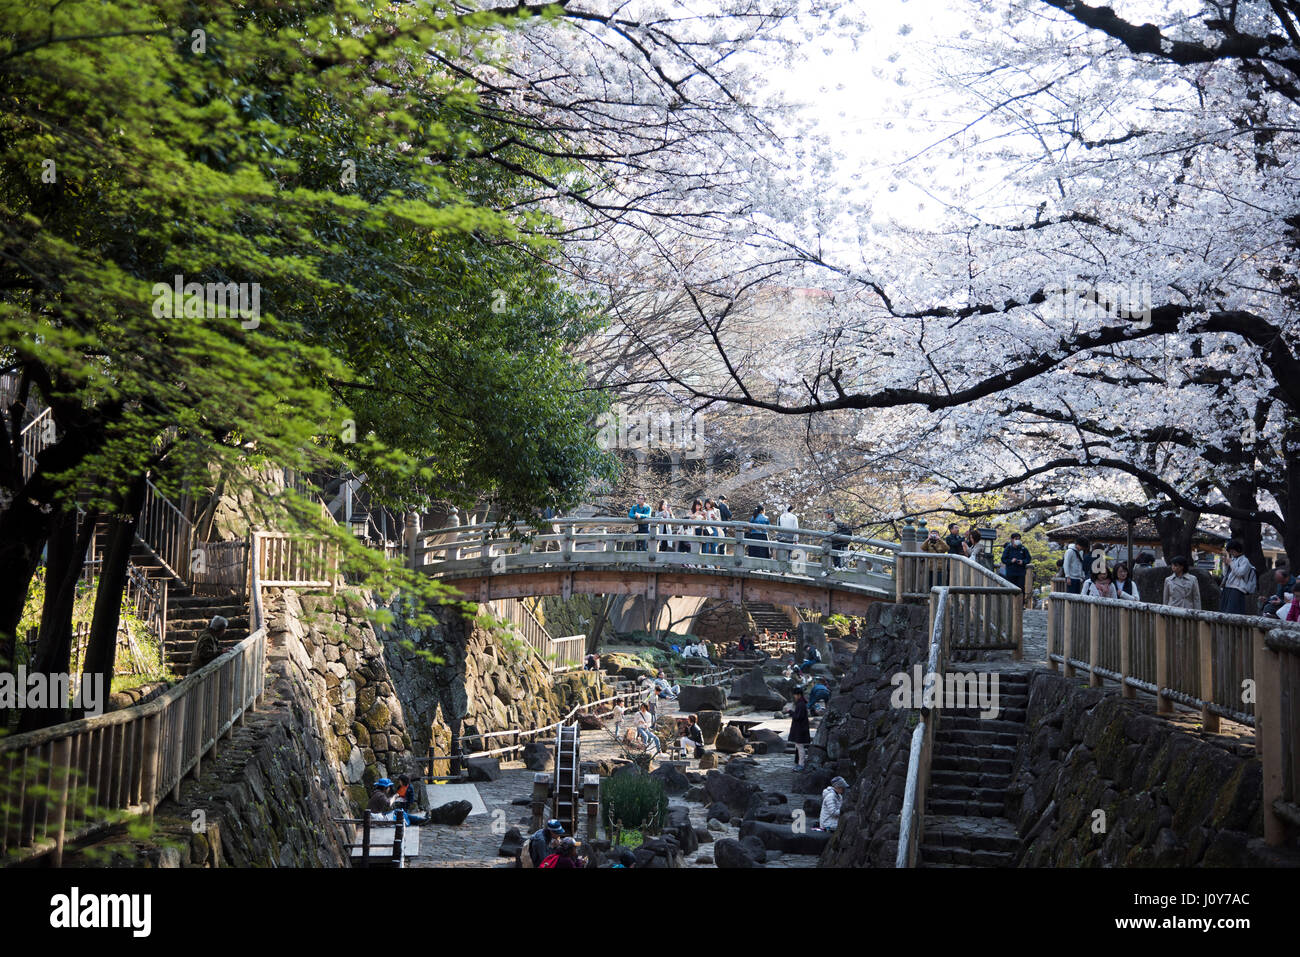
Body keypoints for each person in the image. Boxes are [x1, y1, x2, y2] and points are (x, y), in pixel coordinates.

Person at [1219, 539, 1257, 615]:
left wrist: (1231, 563)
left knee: (1233, 611)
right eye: (1230, 551)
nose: (1231, 553)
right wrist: (1226, 565)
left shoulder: (1245, 560)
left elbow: (1240, 573)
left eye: (1232, 551)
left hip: (1237, 589)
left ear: (1238, 549)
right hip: (1228, 587)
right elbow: (1225, 574)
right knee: (1224, 611)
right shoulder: (1233, 559)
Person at [1001, 533, 1031, 601]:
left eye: (1019, 539)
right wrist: (1011, 561)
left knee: (1021, 588)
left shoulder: (1023, 549)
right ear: (1012, 540)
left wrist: (1023, 562)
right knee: (1010, 588)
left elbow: (1028, 559)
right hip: (1010, 573)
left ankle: (1021, 604)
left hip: (1021, 573)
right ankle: (1011, 603)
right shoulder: (1008, 548)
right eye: (1016, 539)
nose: (1018, 540)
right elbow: (1003, 559)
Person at [788, 688, 811, 771]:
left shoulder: (800, 704)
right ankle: (799, 763)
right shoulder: (801, 703)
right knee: (798, 746)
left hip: (800, 729)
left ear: (798, 695)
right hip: (801, 728)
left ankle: (801, 764)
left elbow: (798, 717)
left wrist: (790, 712)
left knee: (800, 746)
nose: (794, 696)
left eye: (795, 695)